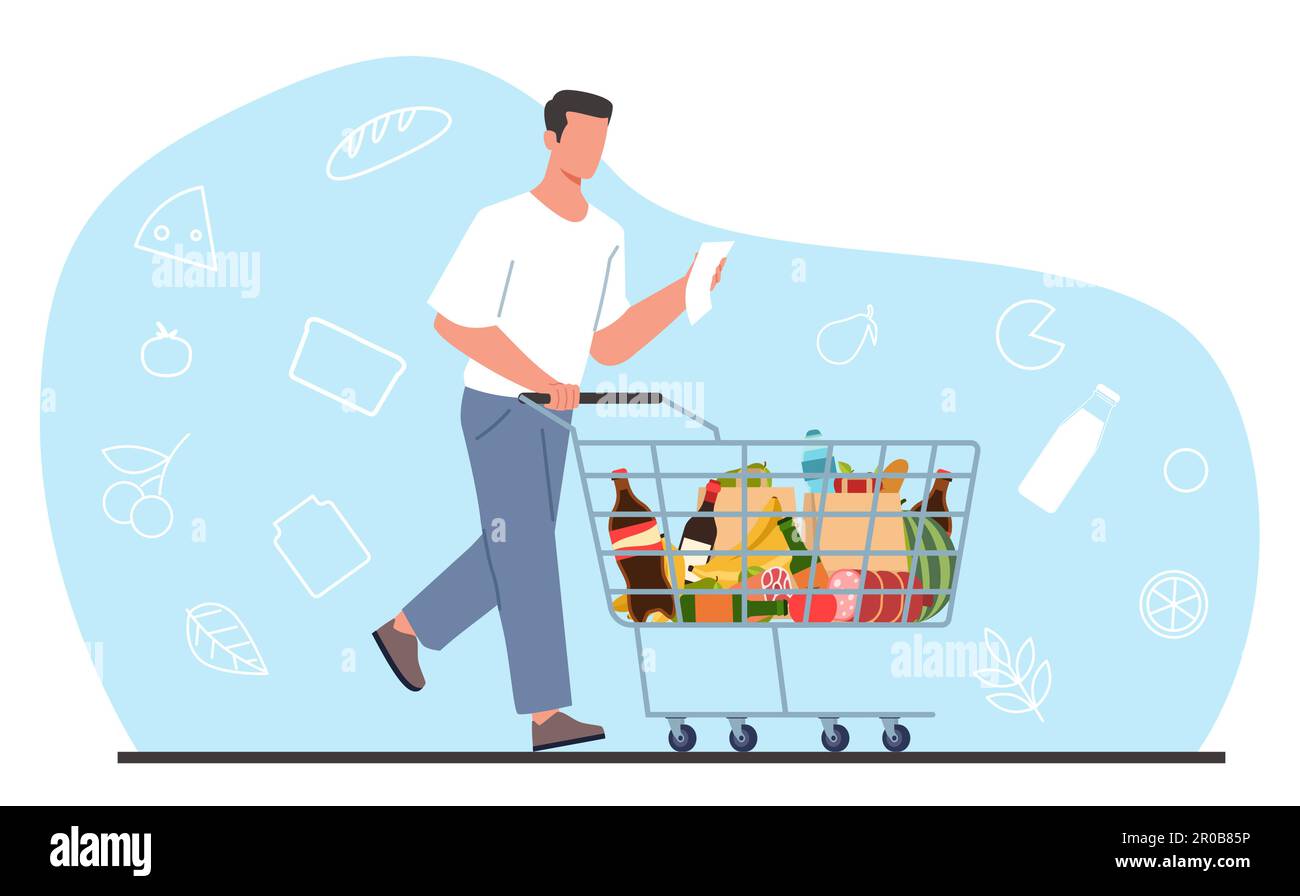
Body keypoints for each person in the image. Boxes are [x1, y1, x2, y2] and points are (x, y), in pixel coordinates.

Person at [372, 90, 726, 751]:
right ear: (550, 139)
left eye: (600, 141)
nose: (591, 153)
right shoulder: (501, 222)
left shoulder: (608, 235)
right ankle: (545, 715)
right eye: (580, 139)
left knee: (512, 552)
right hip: (499, 409)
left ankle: (406, 629)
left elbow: (610, 343)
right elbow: (453, 321)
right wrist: (538, 380)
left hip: (556, 418)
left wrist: (684, 290)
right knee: (527, 555)